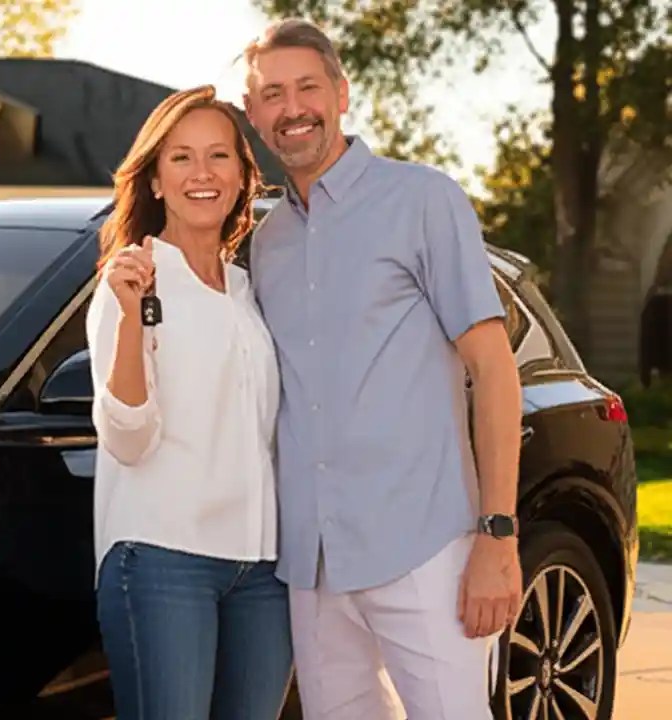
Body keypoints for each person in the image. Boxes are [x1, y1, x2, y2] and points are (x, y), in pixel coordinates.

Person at [241, 18, 524, 720]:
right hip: (312, 566)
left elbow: (493, 369)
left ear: (342, 93)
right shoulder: (266, 242)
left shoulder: (423, 200)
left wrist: (497, 536)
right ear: (253, 115)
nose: (292, 107)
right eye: (272, 94)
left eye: (308, 86)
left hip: (423, 547)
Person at [86, 84, 293, 720]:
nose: (201, 174)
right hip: (160, 559)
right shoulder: (130, 283)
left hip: (261, 570)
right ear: (153, 180)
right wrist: (129, 320)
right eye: (180, 158)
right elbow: (127, 438)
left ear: (241, 176)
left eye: (218, 156)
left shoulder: (249, 290)